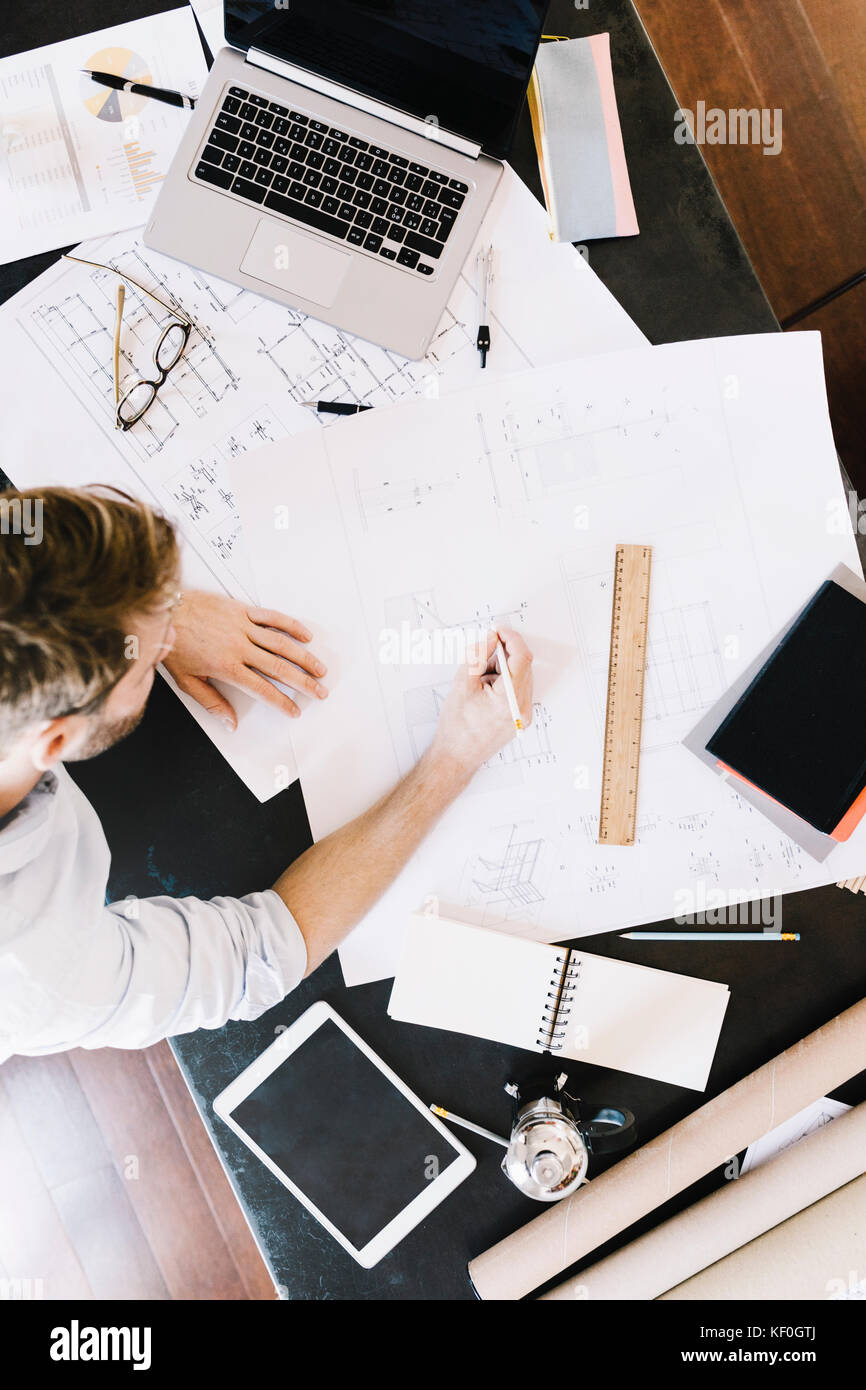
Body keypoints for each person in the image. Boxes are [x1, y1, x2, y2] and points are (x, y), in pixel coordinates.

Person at [0, 486, 532, 1058]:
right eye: (153, 658)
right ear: (56, 737)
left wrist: (143, 610)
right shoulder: (40, 971)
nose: (173, 636)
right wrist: (453, 758)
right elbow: (257, 954)